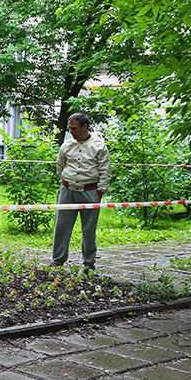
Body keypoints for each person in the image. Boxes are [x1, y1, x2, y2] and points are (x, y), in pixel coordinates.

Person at [52, 112, 111, 271]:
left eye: (75, 128)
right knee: (61, 227)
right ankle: (57, 261)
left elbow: (105, 170)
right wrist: (66, 181)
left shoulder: (99, 146)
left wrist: (99, 192)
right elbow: (60, 165)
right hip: (67, 190)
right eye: (70, 129)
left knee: (89, 230)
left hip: (90, 192)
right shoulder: (66, 145)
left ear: (85, 127)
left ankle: (89, 263)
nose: (71, 132)